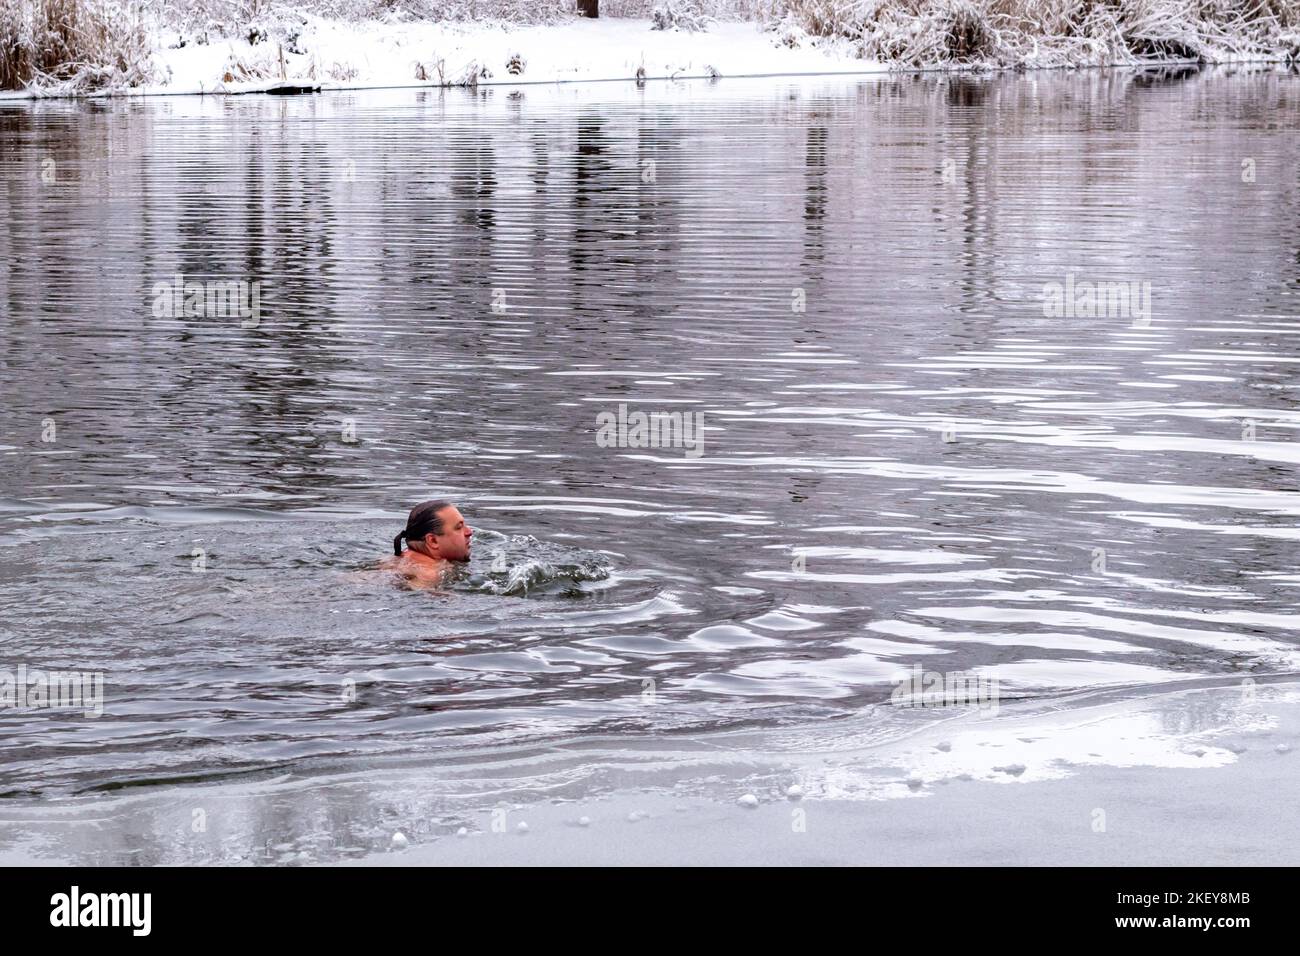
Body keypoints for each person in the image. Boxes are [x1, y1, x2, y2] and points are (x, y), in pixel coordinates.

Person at [382, 500, 473, 586]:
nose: (469, 532)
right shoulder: (429, 573)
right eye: (459, 527)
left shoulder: (390, 561)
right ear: (433, 541)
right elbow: (418, 597)